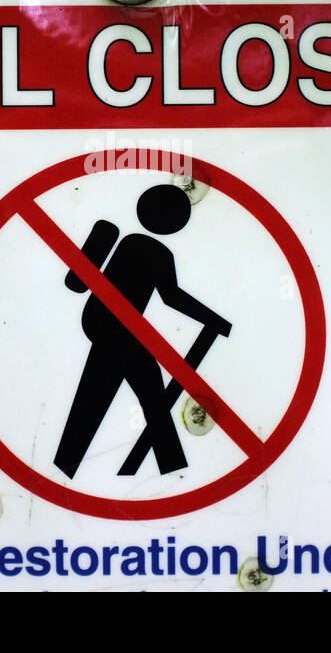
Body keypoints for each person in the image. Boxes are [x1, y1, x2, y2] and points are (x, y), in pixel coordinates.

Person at [54, 184, 231, 479]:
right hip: (113, 328)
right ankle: (171, 468)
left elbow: (170, 296)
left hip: (109, 326)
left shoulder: (140, 245)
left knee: (111, 396)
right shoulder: (148, 248)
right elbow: (171, 296)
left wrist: (213, 320)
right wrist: (213, 320)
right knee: (136, 396)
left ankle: (67, 469)